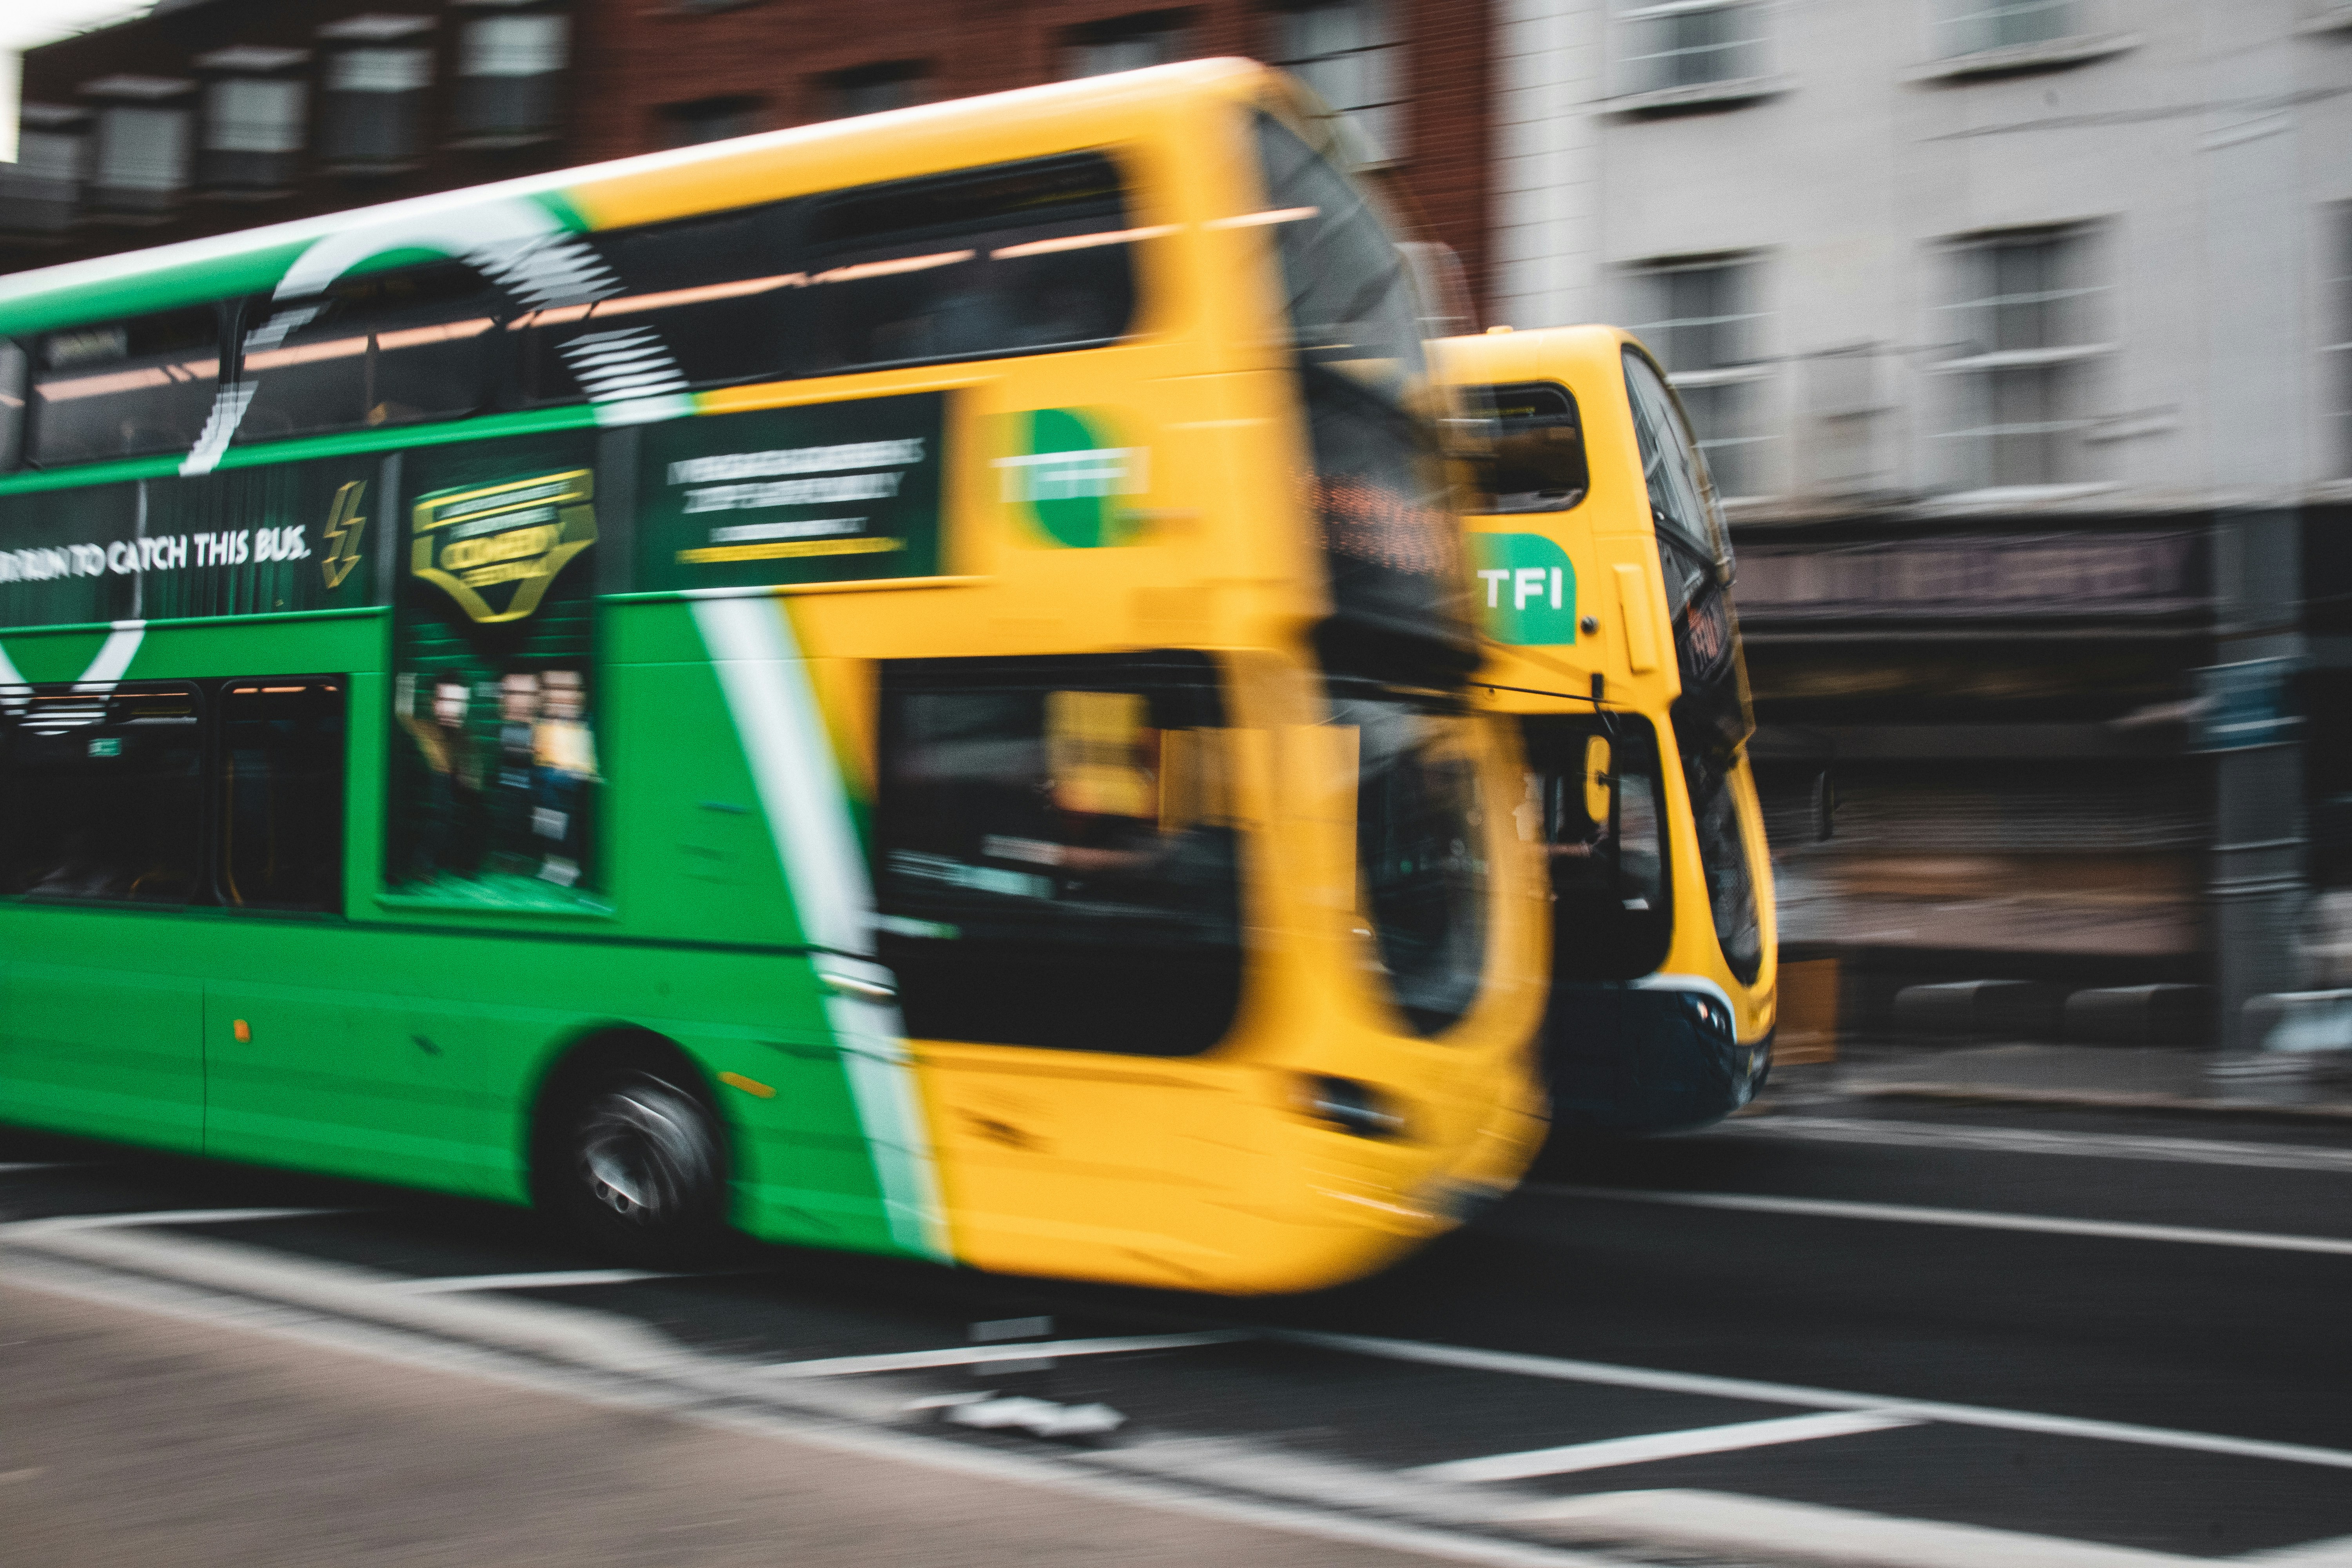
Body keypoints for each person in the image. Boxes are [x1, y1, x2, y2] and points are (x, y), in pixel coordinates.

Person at [531, 668, 597, 887]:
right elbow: (540, 754)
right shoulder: (546, 723)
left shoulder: (583, 724)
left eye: (568, 690)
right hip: (550, 781)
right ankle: (555, 864)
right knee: (545, 800)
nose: (560, 696)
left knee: (551, 789)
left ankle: (569, 867)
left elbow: (585, 763)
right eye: (554, 690)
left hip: (570, 782)